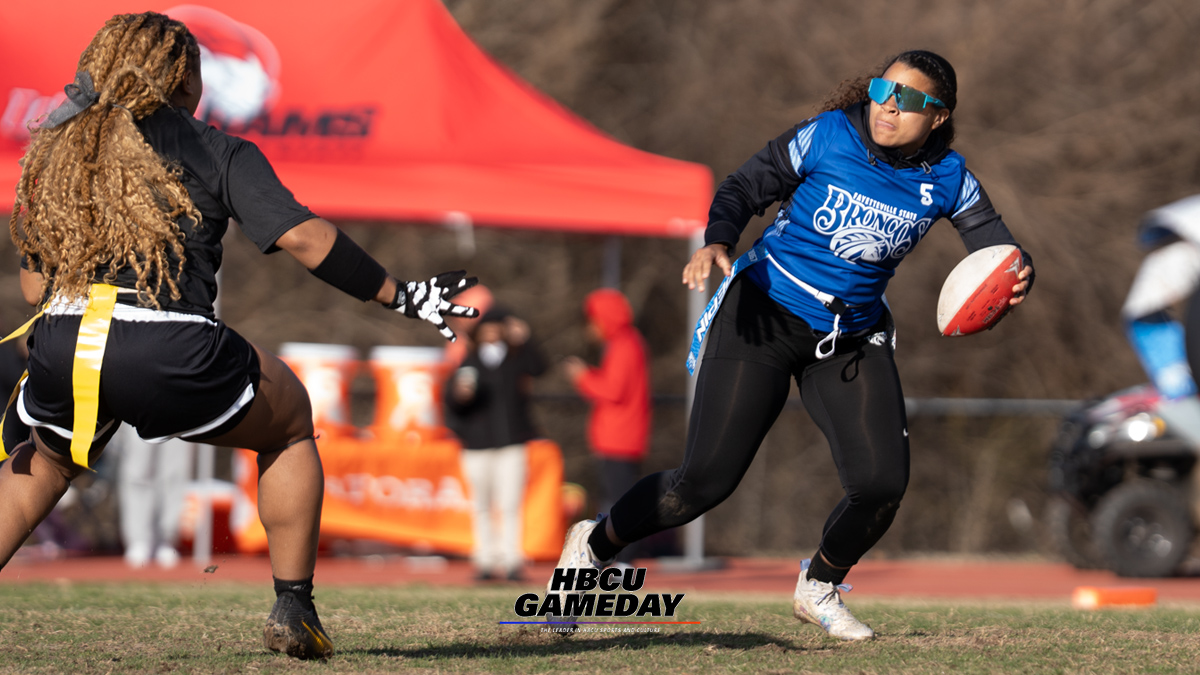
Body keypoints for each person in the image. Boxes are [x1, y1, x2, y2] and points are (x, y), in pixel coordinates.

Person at [0, 12, 477, 660]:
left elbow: (33, 290)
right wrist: (404, 294)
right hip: (168, 345)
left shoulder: (57, 147)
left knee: (43, 466)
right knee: (289, 420)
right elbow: (305, 238)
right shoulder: (216, 148)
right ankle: (294, 604)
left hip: (63, 341)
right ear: (183, 79)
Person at [547, 50, 1034, 640]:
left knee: (881, 485)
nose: (887, 105)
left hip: (850, 335)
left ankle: (819, 586)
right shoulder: (829, 135)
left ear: (938, 117)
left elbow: (997, 248)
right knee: (702, 484)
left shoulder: (949, 177)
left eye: (908, 99)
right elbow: (745, 186)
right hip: (764, 314)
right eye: (883, 88)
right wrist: (717, 239)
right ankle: (591, 547)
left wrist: (1018, 272)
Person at [443, 307, 546, 581]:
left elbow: (540, 367)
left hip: (512, 443)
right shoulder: (468, 361)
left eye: (496, 329)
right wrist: (460, 396)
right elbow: (452, 403)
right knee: (482, 505)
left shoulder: (515, 359)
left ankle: (512, 560)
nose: (491, 334)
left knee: (510, 504)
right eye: (486, 329)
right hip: (476, 446)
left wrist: (525, 338)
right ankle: (486, 561)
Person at [562, 288, 651, 565]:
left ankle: (623, 559)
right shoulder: (624, 343)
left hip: (621, 437)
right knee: (615, 501)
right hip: (617, 436)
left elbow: (612, 390)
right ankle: (616, 556)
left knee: (620, 503)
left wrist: (582, 377)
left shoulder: (625, 344)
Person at [115, 426, 192, 569]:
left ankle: (167, 538)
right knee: (137, 469)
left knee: (175, 471)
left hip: (179, 407)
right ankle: (139, 540)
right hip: (137, 407)